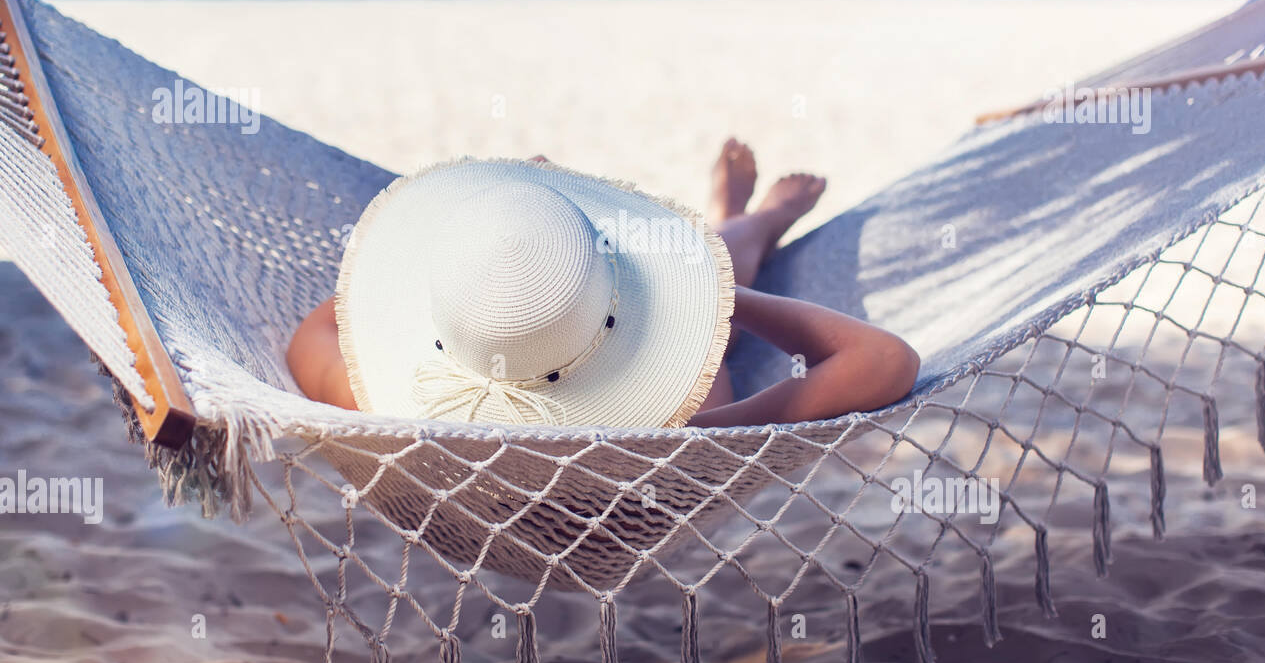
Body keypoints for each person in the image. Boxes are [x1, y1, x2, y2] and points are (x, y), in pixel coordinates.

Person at [288, 141, 918, 428]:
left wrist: (460, 270)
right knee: (715, 269)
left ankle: (733, 222)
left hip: (476, 362)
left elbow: (311, 338)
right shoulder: (679, 433)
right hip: (647, 374)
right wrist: (714, 294)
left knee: (696, 263)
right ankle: (758, 219)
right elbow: (886, 359)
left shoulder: (388, 405)